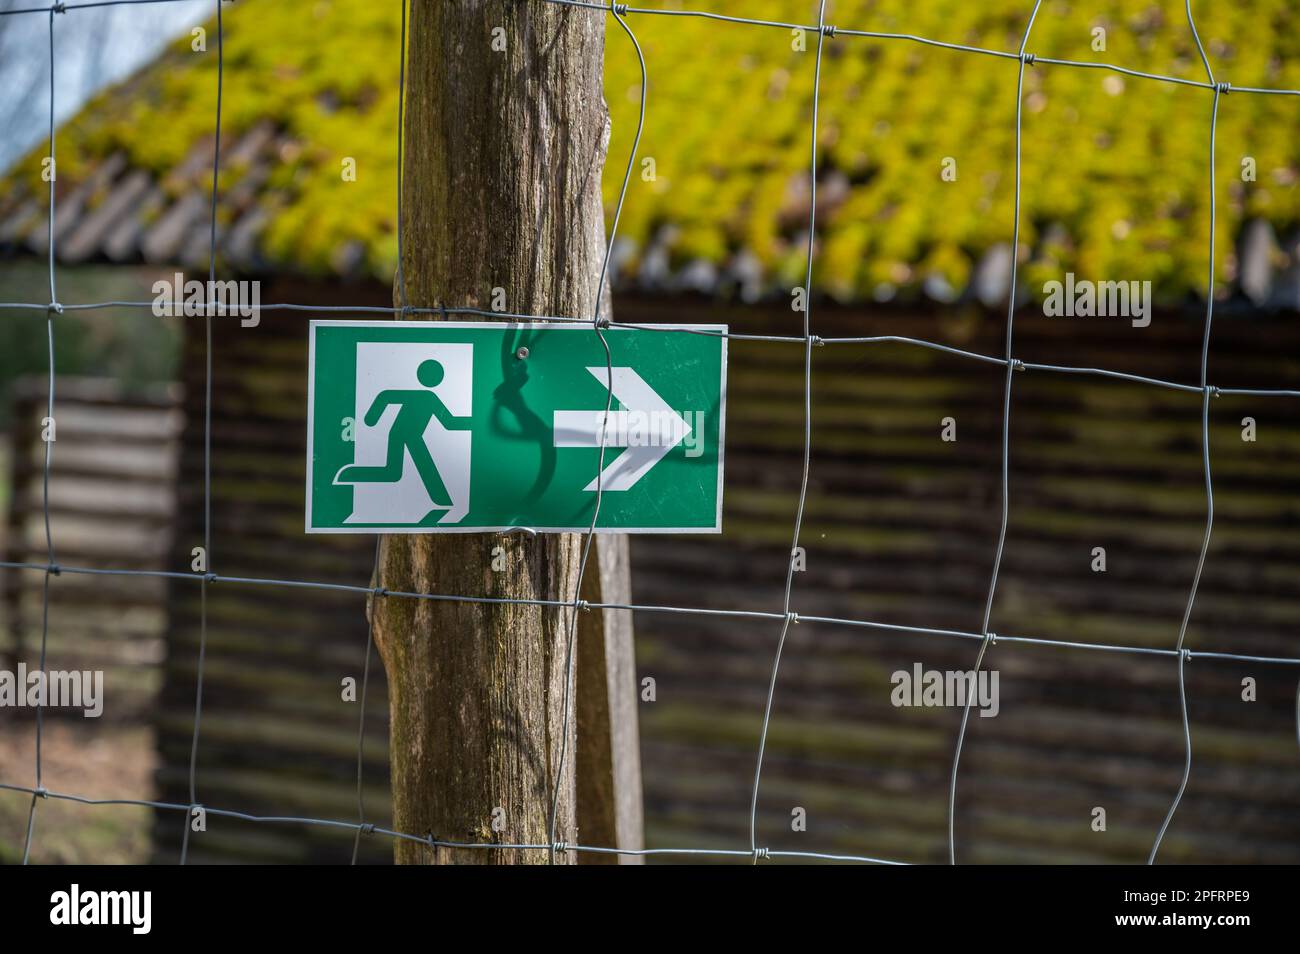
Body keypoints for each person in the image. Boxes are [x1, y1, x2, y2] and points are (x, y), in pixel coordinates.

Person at [335, 359, 469, 508]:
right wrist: (371, 418)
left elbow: (448, 422)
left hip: (411, 436)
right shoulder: (428, 398)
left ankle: (442, 500)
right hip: (400, 434)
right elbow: (386, 396)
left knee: (393, 472)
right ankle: (350, 474)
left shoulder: (430, 398)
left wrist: (472, 421)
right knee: (394, 472)